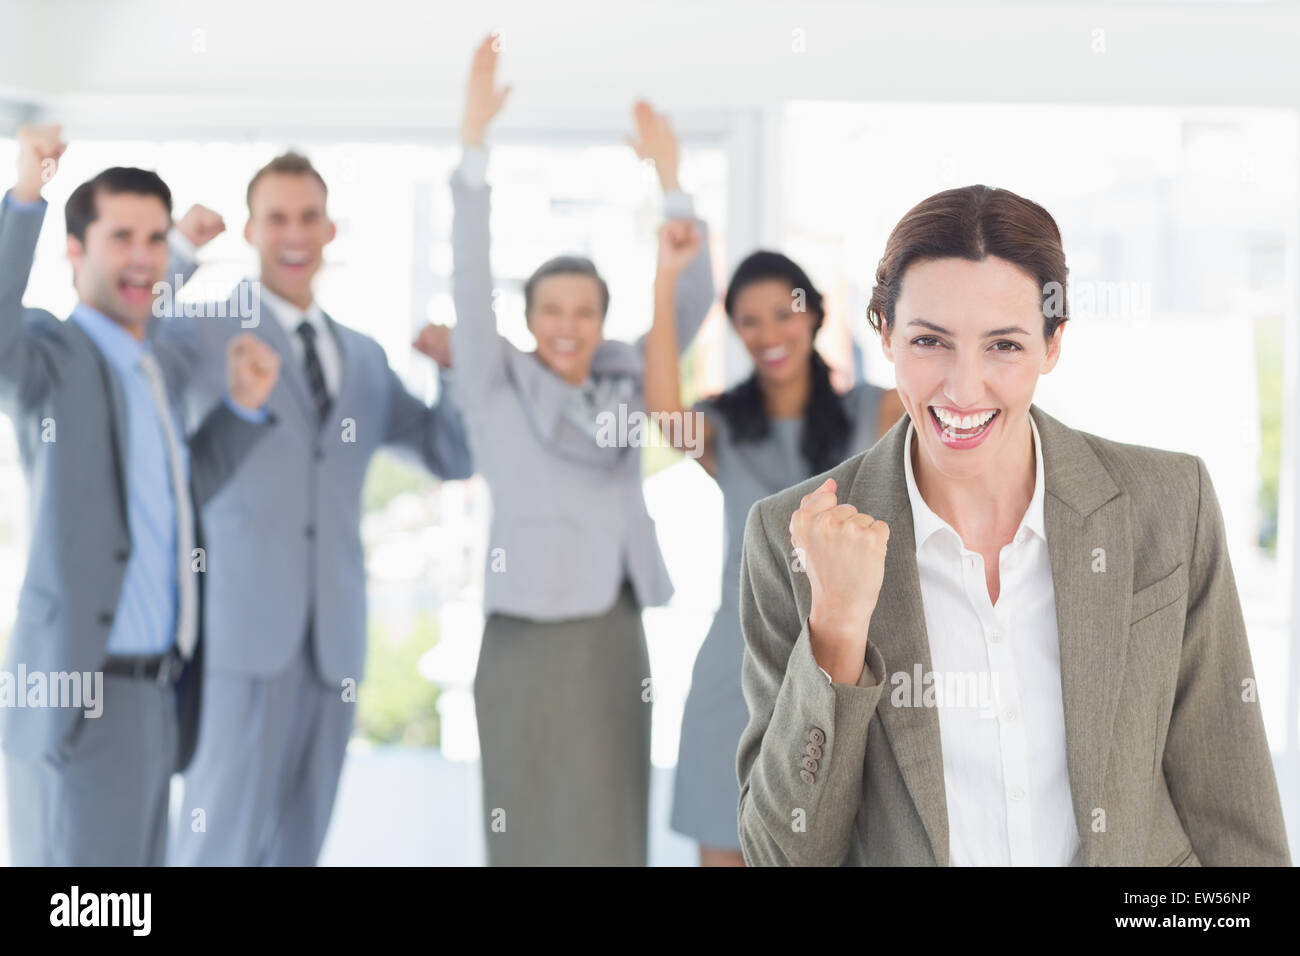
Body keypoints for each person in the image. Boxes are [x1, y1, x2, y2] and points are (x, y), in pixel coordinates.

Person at [736, 183, 1292, 866]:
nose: (964, 389)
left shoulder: (1170, 503)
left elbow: (1231, 806)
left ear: (1053, 342)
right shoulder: (789, 538)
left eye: (1003, 345)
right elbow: (781, 854)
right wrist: (838, 632)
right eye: (930, 341)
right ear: (884, 333)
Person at [153, 151, 474, 866]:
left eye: (308, 217)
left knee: (301, 845)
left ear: (330, 229)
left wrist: (454, 372)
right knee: (214, 840)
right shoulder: (206, 328)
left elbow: (450, 456)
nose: (293, 234)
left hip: (334, 642)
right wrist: (177, 255)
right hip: (237, 638)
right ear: (249, 229)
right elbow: (131, 341)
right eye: (276, 218)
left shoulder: (361, 357)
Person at [453, 35, 715, 865]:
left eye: (584, 312)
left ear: (602, 321)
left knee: (610, 826)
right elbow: (466, 275)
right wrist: (472, 149)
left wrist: (672, 183)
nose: (568, 327)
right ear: (528, 320)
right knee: (526, 823)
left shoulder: (628, 380)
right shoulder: (495, 386)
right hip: (524, 633)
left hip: (611, 626)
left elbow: (691, 298)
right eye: (551, 310)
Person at [0, 125, 280, 865]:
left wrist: (244, 410)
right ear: (75, 250)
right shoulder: (54, 356)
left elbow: (178, 502)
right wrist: (27, 194)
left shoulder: (147, 366)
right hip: (83, 692)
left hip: (158, 694)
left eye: (156, 238)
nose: (141, 255)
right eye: (120, 235)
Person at [644, 247, 902, 865]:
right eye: (747, 321)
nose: (767, 334)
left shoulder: (874, 414)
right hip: (732, 671)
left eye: (782, 314)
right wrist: (665, 280)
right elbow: (657, 410)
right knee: (725, 842)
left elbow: (943, 389)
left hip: (843, 669)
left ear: (815, 315)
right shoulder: (722, 428)